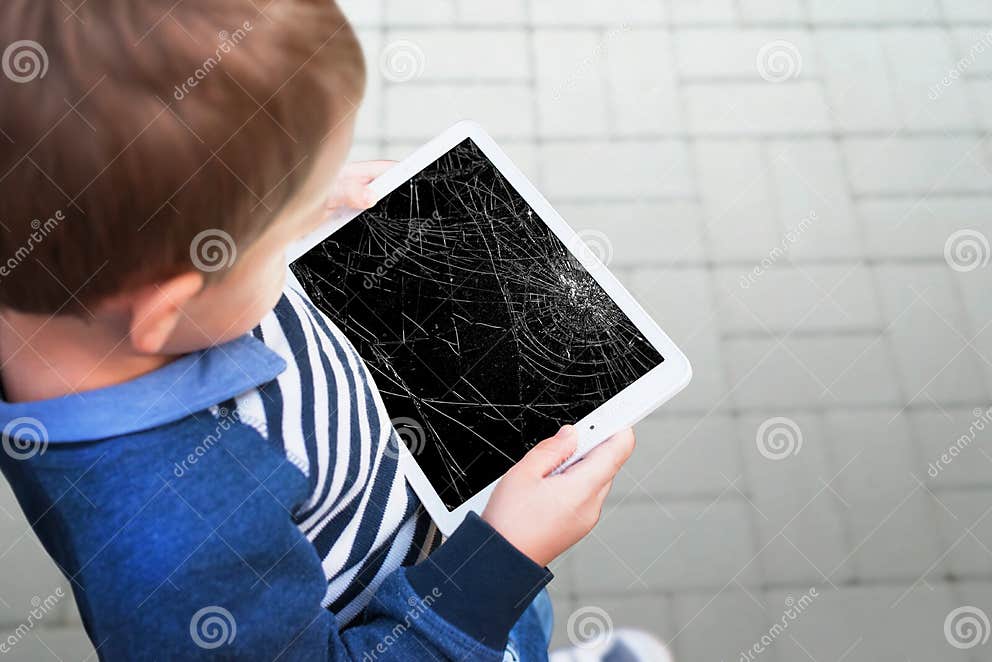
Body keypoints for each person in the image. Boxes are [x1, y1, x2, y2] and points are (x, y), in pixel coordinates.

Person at [0, 1, 651, 659]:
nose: (308, 222)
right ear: (167, 307)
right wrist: (501, 563)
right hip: (442, 616)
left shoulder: (50, 283)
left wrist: (273, 202)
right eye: (282, 230)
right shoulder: (177, 549)